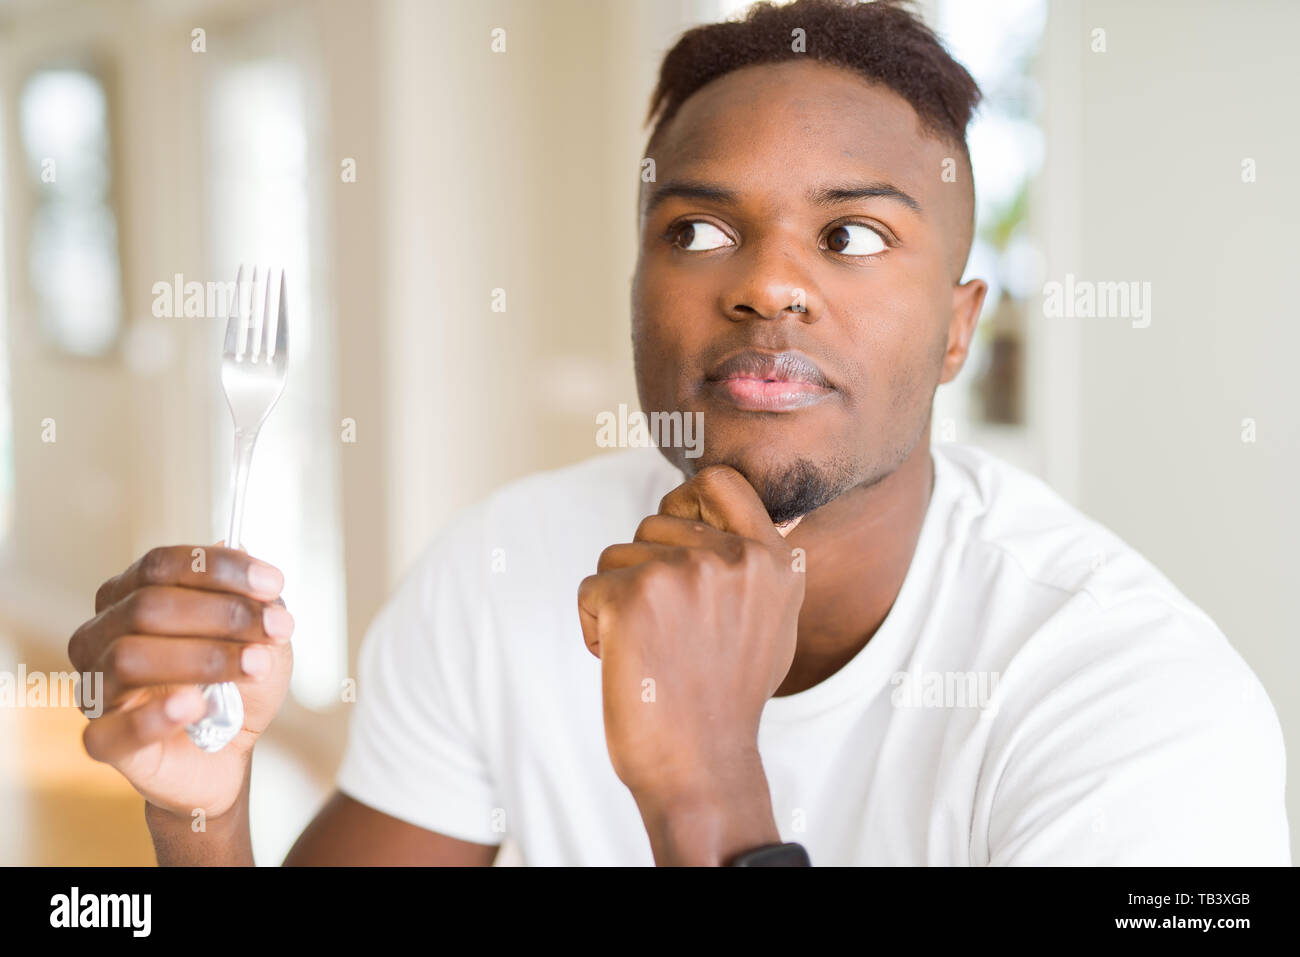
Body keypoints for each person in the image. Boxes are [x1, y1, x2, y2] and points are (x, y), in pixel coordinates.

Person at [68, 0, 1288, 866]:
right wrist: (201, 815)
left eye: (851, 236)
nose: (765, 286)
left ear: (958, 328)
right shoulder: (502, 565)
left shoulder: (1139, 708)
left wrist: (706, 793)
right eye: (696, 232)